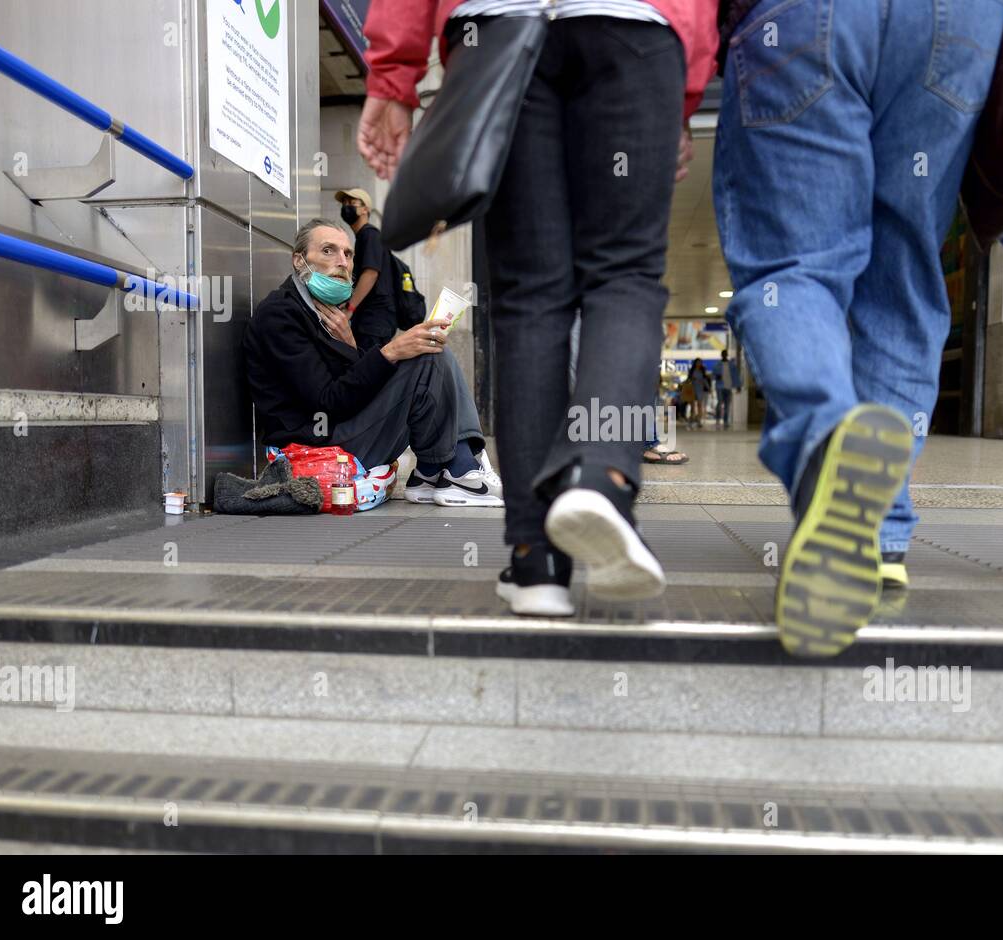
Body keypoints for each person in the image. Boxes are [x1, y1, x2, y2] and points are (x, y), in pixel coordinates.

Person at [360, 0, 718, 617]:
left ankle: (535, 560)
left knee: (528, 298)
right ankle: (601, 477)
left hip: (500, 29)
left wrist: (394, 74)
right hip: (636, 28)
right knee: (623, 279)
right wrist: (684, 90)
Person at [713, 0, 1003, 656]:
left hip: (803, 21)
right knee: (902, 282)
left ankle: (826, 438)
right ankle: (880, 537)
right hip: (956, 23)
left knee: (794, 268)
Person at [243, 218, 502, 507]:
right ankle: (459, 470)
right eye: (328, 251)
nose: (342, 261)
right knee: (428, 359)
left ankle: (431, 473)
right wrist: (389, 352)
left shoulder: (325, 313)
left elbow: (351, 383)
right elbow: (326, 402)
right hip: (317, 443)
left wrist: (352, 346)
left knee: (428, 350)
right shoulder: (280, 314)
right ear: (299, 261)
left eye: (348, 254)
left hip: (340, 430)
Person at [333, 187, 398, 352]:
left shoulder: (370, 235)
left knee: (370, 369)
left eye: (351, 203)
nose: (346, 206)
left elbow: (370, 273)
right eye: (344, 203)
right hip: (371, 319)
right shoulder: (363, 237)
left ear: (365, 209)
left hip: (374, 321)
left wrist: (350, 309)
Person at [714, 349, 739, 429]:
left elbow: (735, 376)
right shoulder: (717, 365)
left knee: (727, 404)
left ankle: (725, 421)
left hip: (728, 386)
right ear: (722, 355)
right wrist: (717, 376)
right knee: (720, 401)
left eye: (725, 354)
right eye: (723, 354)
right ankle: (717, 418)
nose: (724, 355)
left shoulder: (731, 365)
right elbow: (713, 376)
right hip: (719, 386)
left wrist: (738, 385)